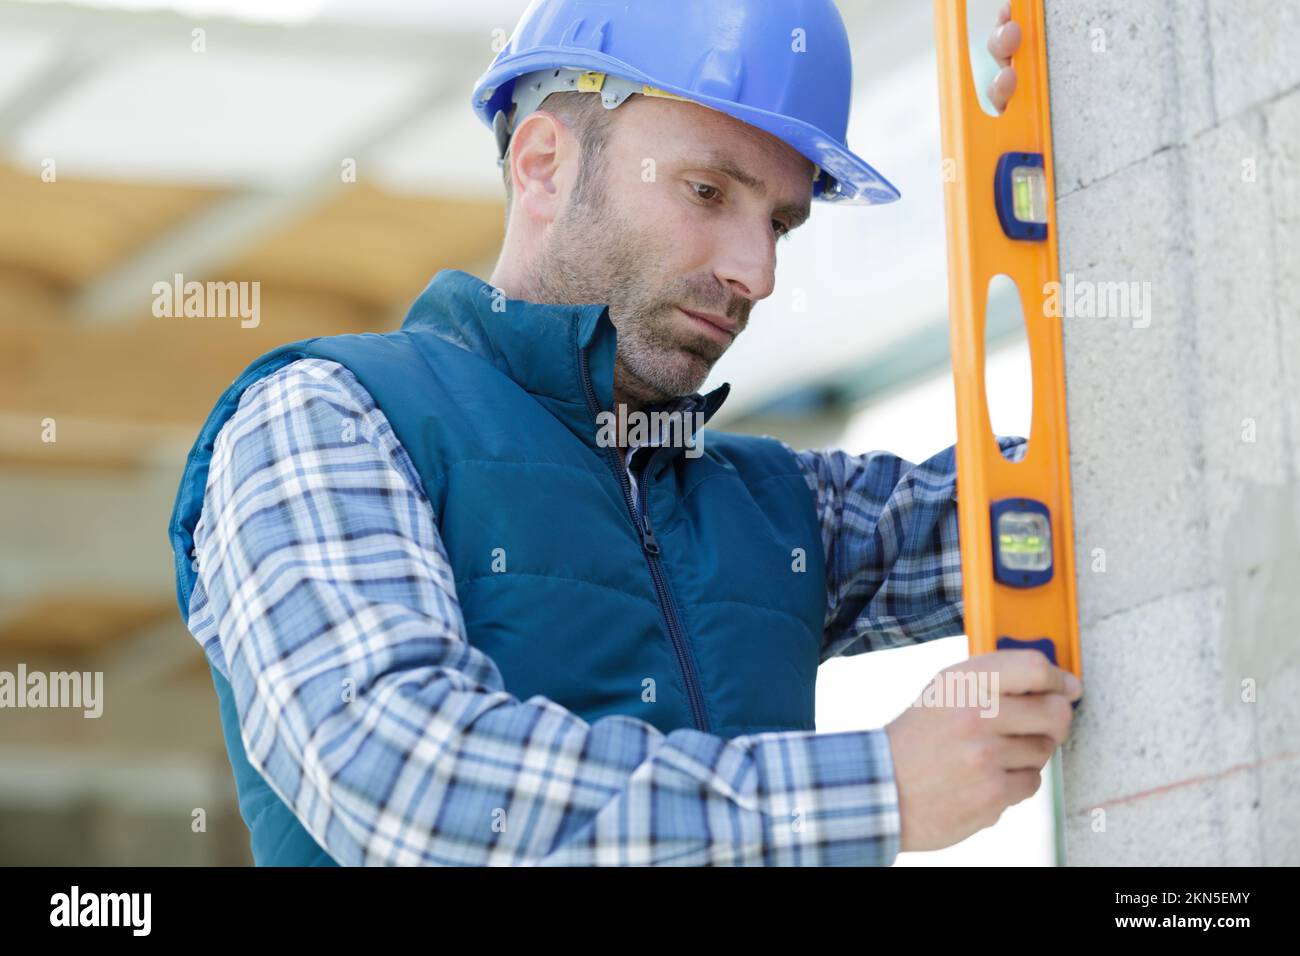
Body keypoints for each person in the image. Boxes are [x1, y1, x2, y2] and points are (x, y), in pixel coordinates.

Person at [169, 0, 1080, 866]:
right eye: (707, 191)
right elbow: (412, 780)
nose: (754, 271)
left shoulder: (779, 511)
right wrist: (876, 789)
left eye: (780, 225)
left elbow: (1076, 488)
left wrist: (1078, 146)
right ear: (543, 165)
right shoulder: (330, 417)